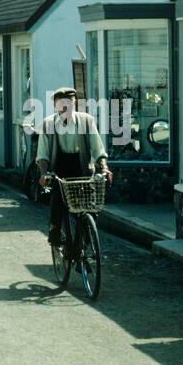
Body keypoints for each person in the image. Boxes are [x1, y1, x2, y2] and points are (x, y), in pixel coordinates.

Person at [35, 87, 113, 248]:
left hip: (82, 168)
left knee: (89, 209)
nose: (66, 108)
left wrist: (104, 167)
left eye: (69, 104)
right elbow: (42, 155)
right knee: (57, 203)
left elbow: (98, 149)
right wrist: (44, 174)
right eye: (61, 104)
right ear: (55, 105)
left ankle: (81, 245)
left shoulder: (86, 121)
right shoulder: (48, 124)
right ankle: (55, 232)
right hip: (59, 169)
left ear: (75, 103)